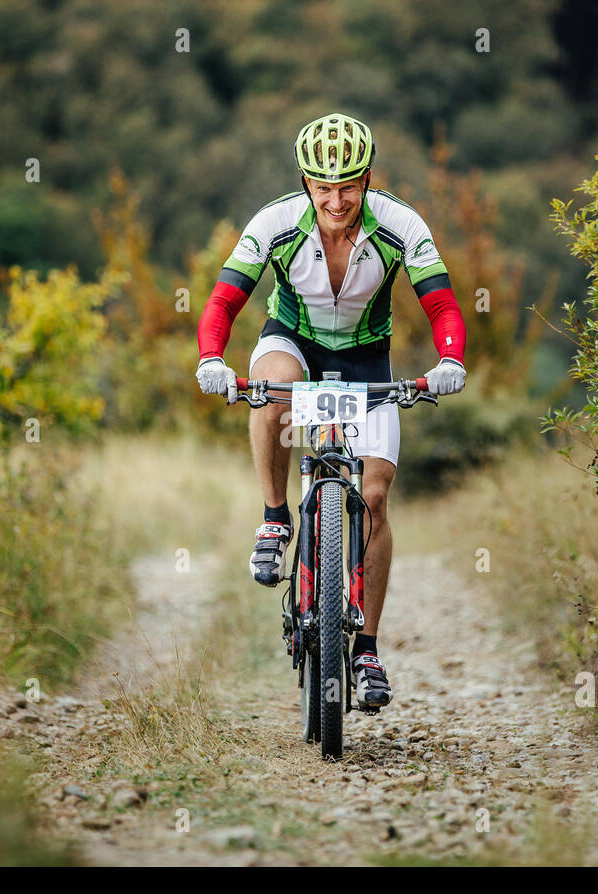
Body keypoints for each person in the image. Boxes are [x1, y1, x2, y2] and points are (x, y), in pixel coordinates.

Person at [195, 112, 467, 708]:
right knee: (269, 386)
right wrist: (213, 358)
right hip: (294, 340)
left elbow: (443, 306)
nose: (337, 199)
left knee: (373, 496)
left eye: (348, 185)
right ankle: (274, 517)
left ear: (367, 179)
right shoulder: (273, 222)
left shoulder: (400, 224)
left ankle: (366, 648)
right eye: (324, 186)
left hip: (369, 359)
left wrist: (449, 360)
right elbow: (222, 300)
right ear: (305, 182)